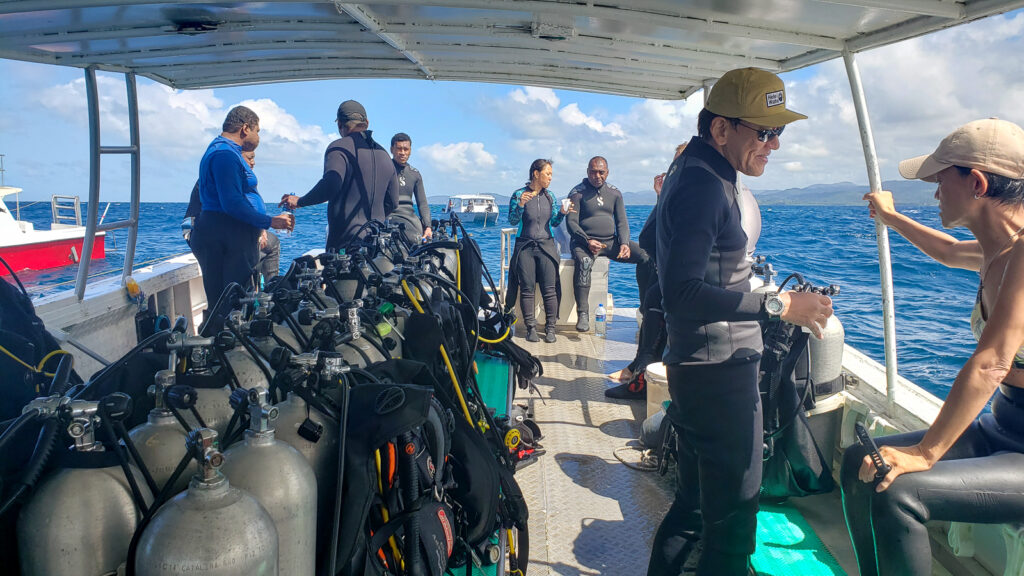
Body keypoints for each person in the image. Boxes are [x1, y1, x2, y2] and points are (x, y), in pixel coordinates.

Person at [647, 67, 832, 576]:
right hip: (718, 374)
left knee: (695, 508)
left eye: (779, 133)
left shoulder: (701, 174)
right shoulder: (705, 187)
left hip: (703, 367)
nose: (773, 144)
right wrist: (779, 305)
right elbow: (682, 293)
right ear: (721, 129)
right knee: (733, 524)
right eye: (764, 131)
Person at [842, 118, 1024, 576]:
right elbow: (946, 251)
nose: (935, 192)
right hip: (1001, 427)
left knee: (899, 489)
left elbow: (992, 363)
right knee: (857, 462)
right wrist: (890, 217)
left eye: (941, 180)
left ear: (977, 182)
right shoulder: (998, 250)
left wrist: (926, 453)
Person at [190, 106, 294, 311]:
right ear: (246, 128)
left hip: (226, 232)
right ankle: (229, 340)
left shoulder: (227, 152)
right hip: (227, 233)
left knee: (231, 301)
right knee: (233, 303)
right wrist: (270, 221)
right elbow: (231, 203)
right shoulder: (224, 154)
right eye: (258, 131)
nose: (258, 137)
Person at [605, 142, 687, 399]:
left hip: (687, 279)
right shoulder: (678, 194)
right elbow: (650, 237)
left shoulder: (693, 193)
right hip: (669, 270)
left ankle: (641, 377)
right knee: (652, 293)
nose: (671, 170)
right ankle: (639, 370)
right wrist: (661, 197)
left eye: (676, 164)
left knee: (655, 297)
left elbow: (651, 236)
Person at [279, 100, 398, 250]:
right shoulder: (384, 155)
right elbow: (393, 201)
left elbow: (331, 184)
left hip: (345, 244)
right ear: (366, 122)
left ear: (340, 124)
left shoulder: (338, 147)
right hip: (377, 245)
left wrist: (301, 201)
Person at [566, 156, 652, 331]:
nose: (597, 175)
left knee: (645, 257)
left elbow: (622, 222)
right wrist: (587, 240)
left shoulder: (615, 193)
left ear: (607, 172)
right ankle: (583, 313)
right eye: (593, 171)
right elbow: (571, 223)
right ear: (587, 172)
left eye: (601, 172)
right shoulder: (577, 193)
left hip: (609, 242)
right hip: (584, 243)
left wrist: (624, 243)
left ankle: (644, 308)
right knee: (584, 262)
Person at [184, 151, 280, 283]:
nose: (253, 163)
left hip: (230, 233)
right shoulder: (221, 178)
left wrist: (260, 229)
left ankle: (269, 289)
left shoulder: (238, 179)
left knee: (272, 242)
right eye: (250, 158)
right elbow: (233, 210)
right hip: (210, 237)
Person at [506, 159, 572, 343]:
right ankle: (531, 328)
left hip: (546, 246)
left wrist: (563, 214)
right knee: (526, 289)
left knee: (549, 289)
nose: (550, 177)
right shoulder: (519, 194)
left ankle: (551, 328)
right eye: (547, 173)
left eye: (551, 174)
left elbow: (554, 223)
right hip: (525, 246)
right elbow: (512, 220)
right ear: (536, 173)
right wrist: (519, 206)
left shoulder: (550, 195)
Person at [389, 132, 432, 245]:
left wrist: (428, 226)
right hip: (390, 216)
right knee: (411, 238)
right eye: (399, 149)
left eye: (406, 149)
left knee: (423, 241)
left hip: (410, 218)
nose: (402, 153)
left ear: (410, 151)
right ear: (391, 149)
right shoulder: (384, 170)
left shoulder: (415, 174)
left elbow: (422, 203)